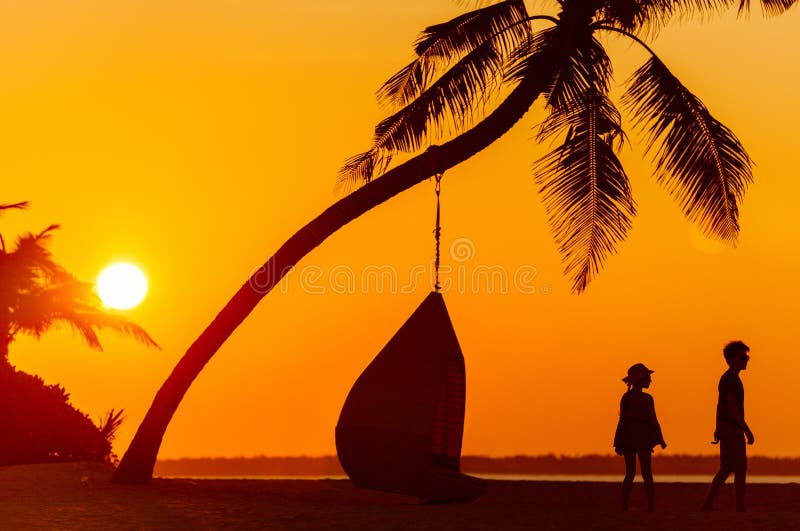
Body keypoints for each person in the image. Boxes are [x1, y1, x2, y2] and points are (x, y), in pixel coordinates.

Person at [701, 340, 754, 512]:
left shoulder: (733, 379)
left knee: (730, 468)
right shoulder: (729, 380)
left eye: (747, 357)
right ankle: (738, 507)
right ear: (731, 359)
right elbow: (730, 407)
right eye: (742, 357)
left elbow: (720, 406)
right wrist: (746, 429)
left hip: (728, 427)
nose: (745, 360)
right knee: (735, 468)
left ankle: (710, 503)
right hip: (731, 429)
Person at [613, 363, 667, 512]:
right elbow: (653, 420)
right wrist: (660, 439)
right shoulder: (647, 399)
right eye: (648, 378)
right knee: (646, 473)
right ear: (641, 380)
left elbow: (622, 420)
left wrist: (618, 442)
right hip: (641, 438)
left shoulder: (627, 397)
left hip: (629, 438)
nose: (650, 380)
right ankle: (650, 506)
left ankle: (625, 506)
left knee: (630, 473)